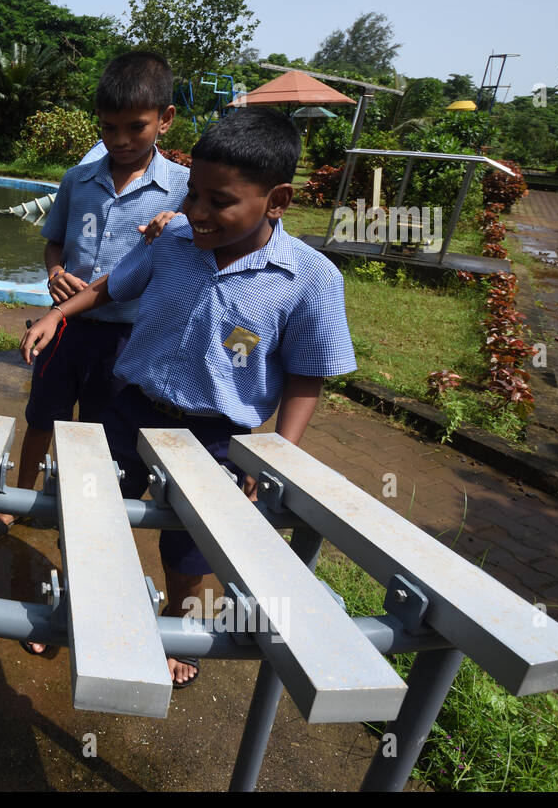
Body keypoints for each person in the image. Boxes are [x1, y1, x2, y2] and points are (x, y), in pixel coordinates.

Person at [22, 107, 357, 686]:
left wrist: (278, 452)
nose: (197, 212)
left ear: (276, 200)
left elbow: (307, 376)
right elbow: (109, 287)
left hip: (214, 437)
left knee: (189, 545)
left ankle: (177, 627)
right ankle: (75, 610)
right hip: (130, 408)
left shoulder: (311, 278)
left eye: (218, 201)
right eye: (194, 193)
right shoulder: (173, 238)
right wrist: (58, 315)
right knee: (94, 514)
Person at [0, 52, 189, 554]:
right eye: (108, 127)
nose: (119, 140)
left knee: (102, 432)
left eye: (134, 127)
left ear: (165, 119)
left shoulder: (183, 191)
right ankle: (18, 495)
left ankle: (84, 512)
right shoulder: (79, 180)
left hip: (129, 336)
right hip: (66, 329)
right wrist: (54, 270)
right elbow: (53, 241)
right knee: (42, 416)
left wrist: (176, 224)